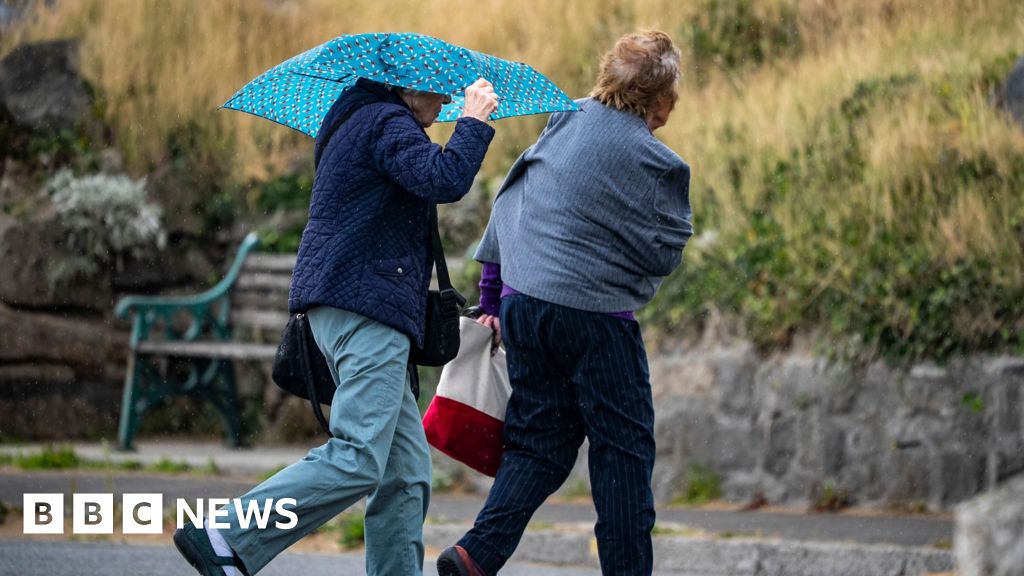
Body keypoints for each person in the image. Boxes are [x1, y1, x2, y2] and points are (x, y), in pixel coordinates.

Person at [172, 76, 499, 576]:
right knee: (358, 456)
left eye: (454, 100)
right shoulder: (388, 121)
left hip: (352, 306)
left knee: (404, 474)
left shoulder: (361, 118)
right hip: (367, 313)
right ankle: (228, 533)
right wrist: (474, 123)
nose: (445, 105)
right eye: (438, 94)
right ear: (408, 88)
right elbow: (445, 179)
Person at [437, 31, 691, 576]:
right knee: (622, 457)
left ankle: (475, 555)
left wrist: (494, 297)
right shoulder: (659, 162)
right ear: (662, 97)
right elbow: (664, 252)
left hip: (526, 307)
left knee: (539, 444)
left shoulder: (566, 116)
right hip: (596, 322)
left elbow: (513, 196)